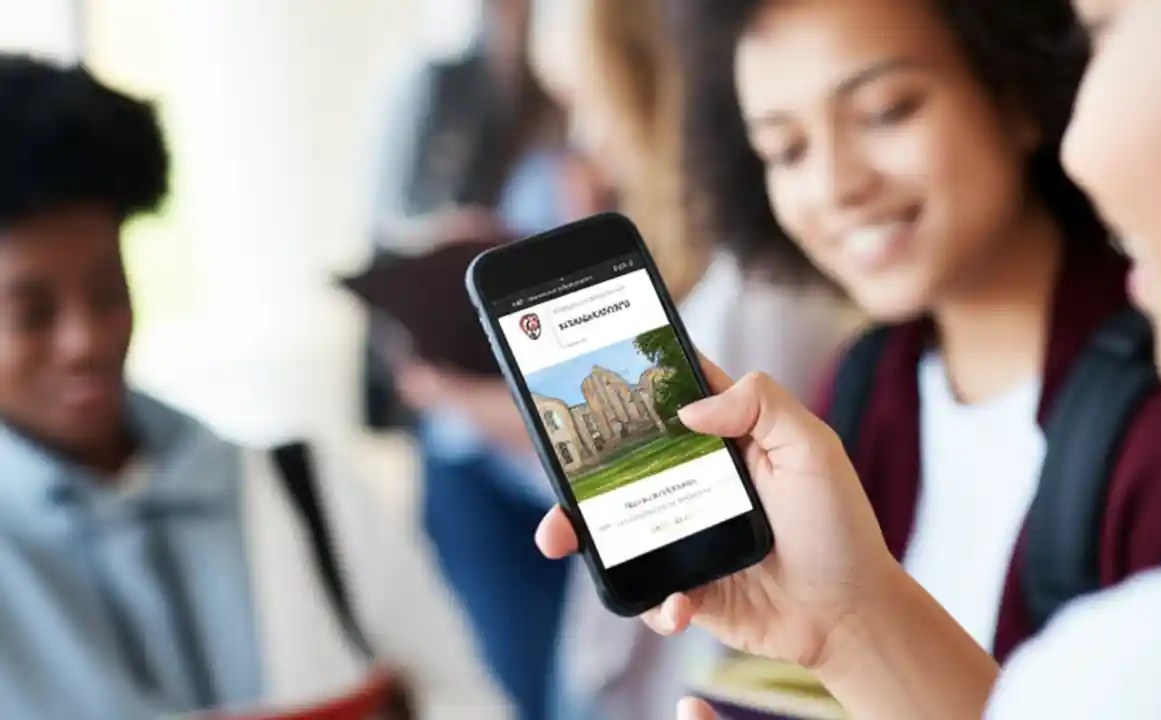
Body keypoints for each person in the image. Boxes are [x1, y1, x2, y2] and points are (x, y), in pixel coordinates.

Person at [535, 0, 1161, 716]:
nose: (836, 185)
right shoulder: (862, 385)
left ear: (1016, 89)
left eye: (887, 111)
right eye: (785, 149)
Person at [0, 55, 508, 719]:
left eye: (106, 291)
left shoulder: (306, 494)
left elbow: (466, 703)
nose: (86, 340)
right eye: (32, 314)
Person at [526, 0, 860, 717]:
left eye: (589, 99)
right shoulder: (710, 278)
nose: (586, 136)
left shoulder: (756, 298)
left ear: (660, 90)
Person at [366, 2, 579, 717]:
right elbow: (388, 229)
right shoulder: (442, 89)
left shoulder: (595, 97)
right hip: (475, 449)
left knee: (589, 679)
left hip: (569, 433)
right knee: (508, 682)